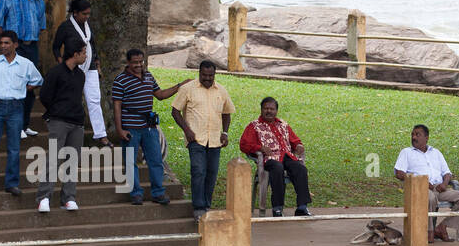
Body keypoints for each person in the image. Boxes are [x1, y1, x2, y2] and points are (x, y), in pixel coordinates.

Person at [111, 49, 185, 206]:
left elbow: (160, 95)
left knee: (156, 160)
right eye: (135, 62)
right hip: (130, 127)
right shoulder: (120, 80)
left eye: (141, 62)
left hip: (149, 127)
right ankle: (136, 193)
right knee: (130, 162)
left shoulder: (149, 76)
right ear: (128, 62)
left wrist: (180, 86)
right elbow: (117, 106)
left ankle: (158, 193)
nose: (139, 65)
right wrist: (119, 129)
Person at [0, 30, 42, 197]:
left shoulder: (26, 64)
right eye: (1, 43)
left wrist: (26, 89)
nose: (3, 46)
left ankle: (12, 183)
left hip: (16, 106)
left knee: (14, 147)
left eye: (7, 43)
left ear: (15, 45)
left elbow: (38, 80)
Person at [171, 61, 235, 221]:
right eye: (204, 75)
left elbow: (227, 113)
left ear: (215, 74)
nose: (207, 78)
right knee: (198, 171)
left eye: (210, 76)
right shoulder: (188, 88)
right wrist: (187, 130)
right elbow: (175, 111)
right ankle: (198, 207)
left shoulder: (221, 90)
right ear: (199, 73)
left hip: (214, 140)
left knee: (211, 174)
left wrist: (225, 133)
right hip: (196, 139)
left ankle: (206, 206)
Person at [0, 0, 48, 139]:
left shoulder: (39, 1)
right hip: (16, 47)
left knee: (30, 86)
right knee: (15, 86)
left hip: (32, 45)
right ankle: (14, 126)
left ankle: (25, 124)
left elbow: (41, 25)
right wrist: (7, 42)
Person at [394, 124, 459, 241]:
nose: (414, 137)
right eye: (412, 135)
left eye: (417, 135)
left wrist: (444, 184)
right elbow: (399, 173)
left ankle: (442, 227)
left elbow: (447, 173)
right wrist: (420, 181)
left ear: (426, 137)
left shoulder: (436, 152)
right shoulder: (407, 152)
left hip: (439, 188)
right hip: (419, 188)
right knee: (430, 198)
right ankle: (428, 232)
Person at [238, 97, 312, 217]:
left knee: (301, 169)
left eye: (272, 109)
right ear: (261, 110)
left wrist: (298, 145)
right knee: (277, 168)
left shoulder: (283, 124)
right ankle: (277, 208)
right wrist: (260, 148)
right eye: (266, 108)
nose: (269, 111)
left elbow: (295, 140)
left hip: (286, 156)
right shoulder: (254, 126)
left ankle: (302, 207)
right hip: (269, 159)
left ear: (276, 111)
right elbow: (244, 144)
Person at [37, 37, 87, 213]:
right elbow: (45, 95)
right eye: (84, 52)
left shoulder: (80, 75)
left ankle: (69, 197)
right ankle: (44, 196)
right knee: (53, 158)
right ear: (75, 54)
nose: (86, 56)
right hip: (58, 121)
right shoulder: (56, 72)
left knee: (72, 160)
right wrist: (56, 111)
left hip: (77, 122)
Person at [52, 0, 108, 144]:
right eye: (84, 14)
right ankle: (68, 128)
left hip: (90, 67)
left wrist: (97, 64)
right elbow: (56, 47)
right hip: (72, 69)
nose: (87, 17)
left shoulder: (88, 26)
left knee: (94, 99)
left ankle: (101, 134)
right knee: (72, 98)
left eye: (88, 14)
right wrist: (61, 64)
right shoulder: (65, 27)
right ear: (75, 13)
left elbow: (93, 46)